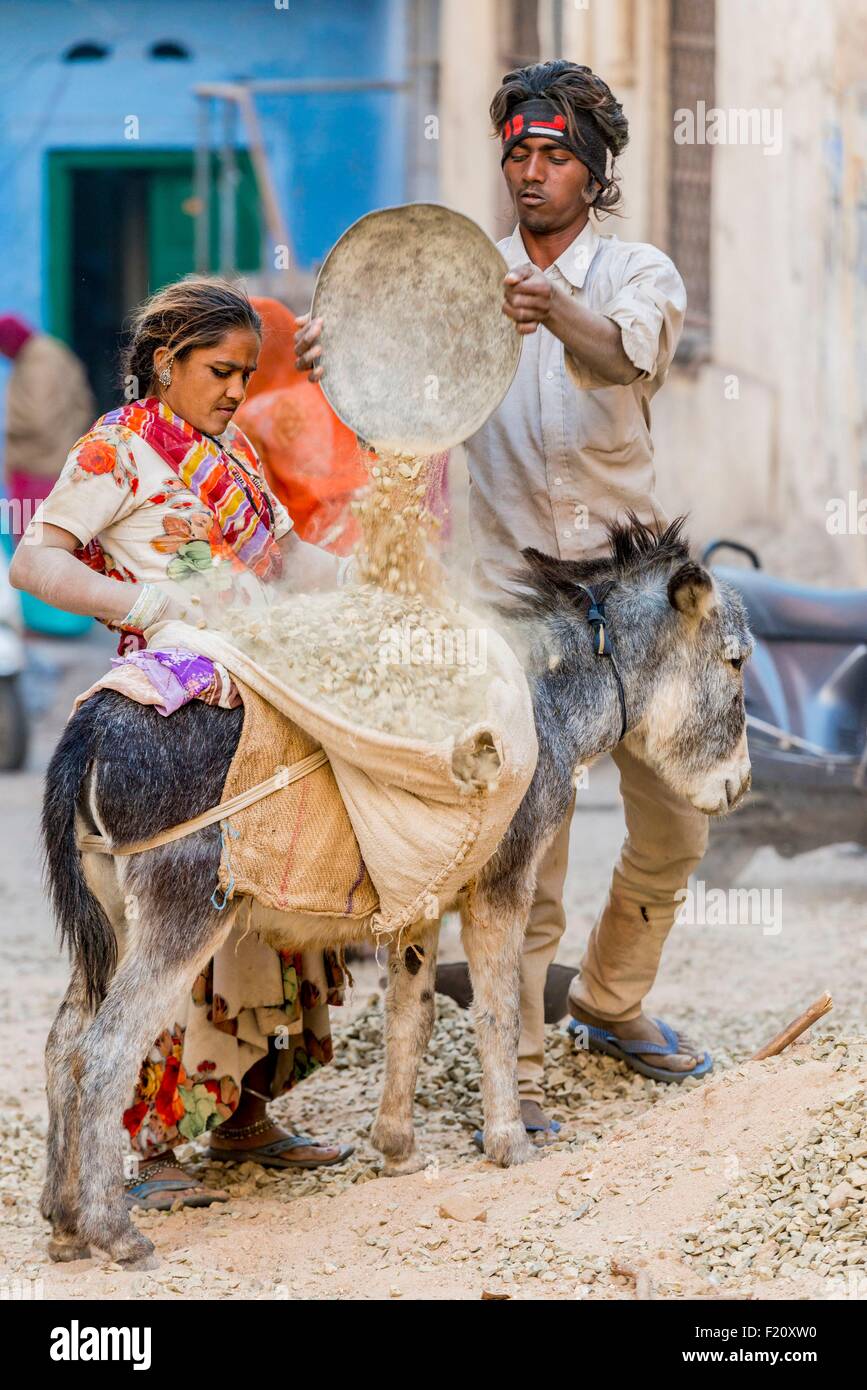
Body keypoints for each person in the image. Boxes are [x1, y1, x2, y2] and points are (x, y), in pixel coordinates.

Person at [295, 60, 709, 1145]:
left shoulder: (639, 272)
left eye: (555, 156)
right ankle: (513, 1071)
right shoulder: (458, 275)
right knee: (532, 842)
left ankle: (609, 1000)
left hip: (633, 600)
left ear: (594, 172)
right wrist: (336, 363)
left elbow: (622, 358)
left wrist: (555, 309)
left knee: (677, 817)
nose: (531, 172)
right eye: (518, 153)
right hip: (515, 602)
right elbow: (391, 393)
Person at [11, 277, 354, 1210]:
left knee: (273, 900)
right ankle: (152, 1145)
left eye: (247, 373)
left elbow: (285, 561)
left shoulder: (233, 450)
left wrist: (369, 577)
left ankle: (244, 1114)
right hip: (177, 703)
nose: (237, 390)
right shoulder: (116, 447)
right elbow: (35, 560)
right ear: (166, 362)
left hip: (263, 694)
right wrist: (145, 605)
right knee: (175, 922)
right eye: (219, 371)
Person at [0, 314, 94, 542]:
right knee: (52, 542)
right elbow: (84, 405)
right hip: (60, 462)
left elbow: (37, 417)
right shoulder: (53, 351)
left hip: (37, 467)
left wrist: (9, 424)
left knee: (32, 544)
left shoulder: (36, 362)